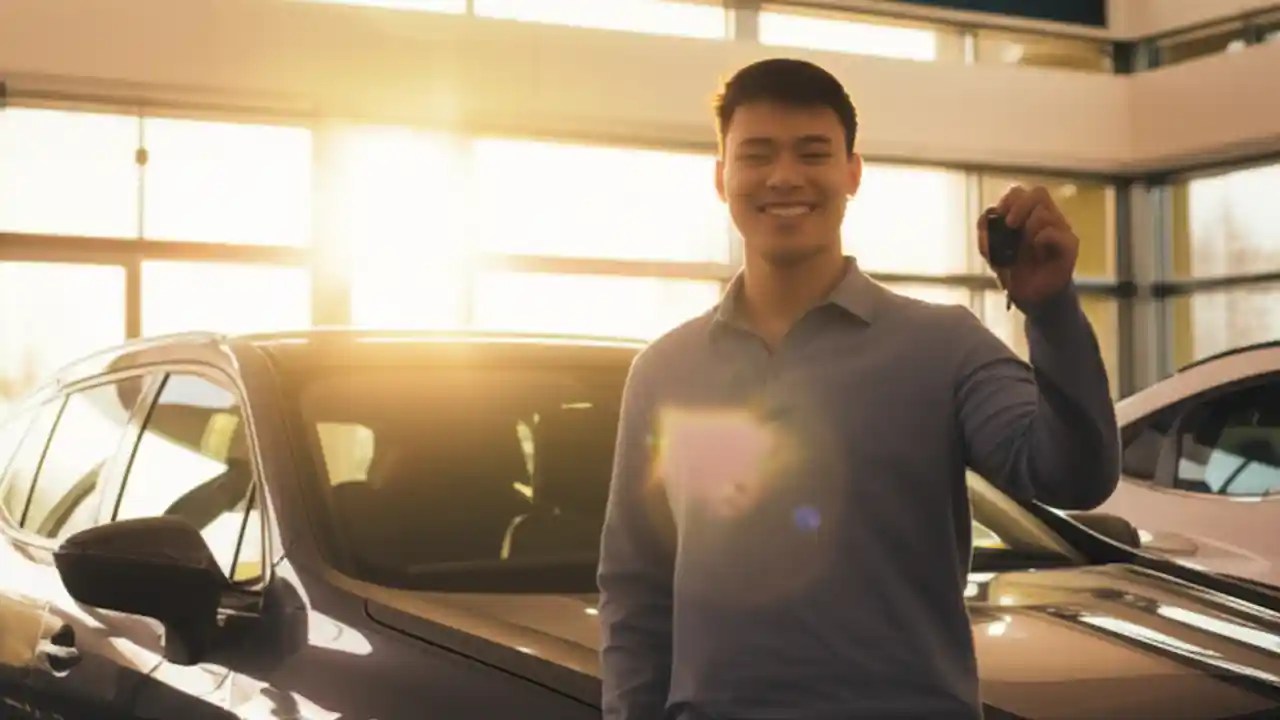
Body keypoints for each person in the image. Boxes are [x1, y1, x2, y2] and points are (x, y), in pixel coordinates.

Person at [596, 57, 1119, 720]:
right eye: (756, 154)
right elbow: (636, 590)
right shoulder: (664, 373)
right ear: (721, 176)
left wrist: (1052, 313)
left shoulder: (944, 347)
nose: (784, 176)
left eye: (813, 153)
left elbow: (1073, 476)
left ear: (852, 173)